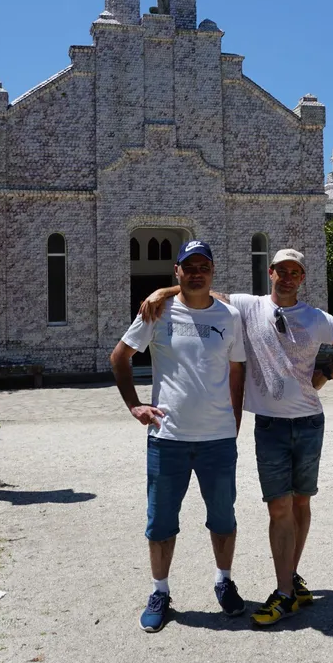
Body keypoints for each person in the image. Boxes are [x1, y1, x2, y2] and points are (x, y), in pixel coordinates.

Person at [140, 248, 333, 627]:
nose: (287, 277)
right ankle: (284, 591)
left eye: (295, 272)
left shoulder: (316, 318)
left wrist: (327, 373)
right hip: (269, 424)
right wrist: (163, 292)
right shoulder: (248, 306)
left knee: (301, 504)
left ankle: (290, 579)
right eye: (281, 270)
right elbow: (200, 291)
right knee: (279, 508)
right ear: (271, 274)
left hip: (311, 421)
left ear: (302, 278)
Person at [110, 240, 247, 633]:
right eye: (189, 267)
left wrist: (234, 420)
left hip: (218, 439)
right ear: (177, 272)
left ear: (213, 270)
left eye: (204, 265)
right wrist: (135, 405)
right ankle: (160, 591)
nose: (197, 272)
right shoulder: (158, 311)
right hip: (167, 437)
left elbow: (237, 370)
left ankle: (224, 581)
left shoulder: (230, 316)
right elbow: (120, 356)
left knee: (223, 517)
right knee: (161, 520)